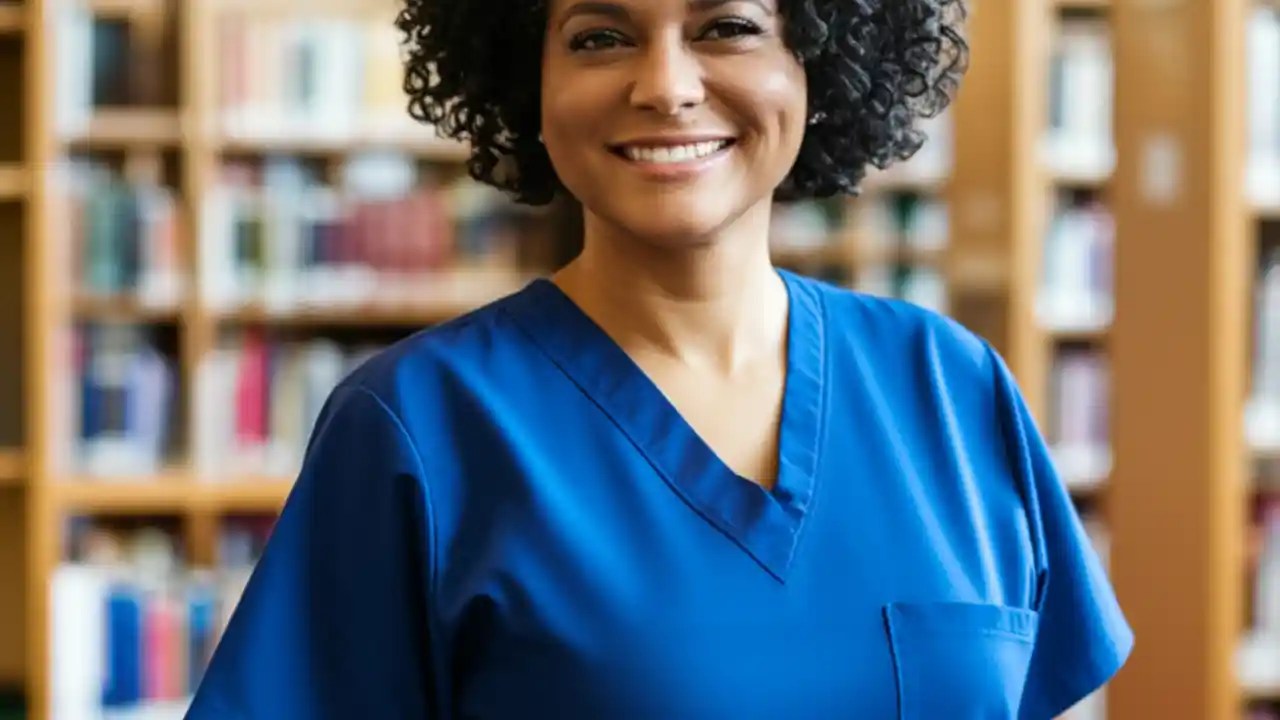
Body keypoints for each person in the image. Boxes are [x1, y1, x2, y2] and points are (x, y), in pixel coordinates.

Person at [187, 0, 1132, 717]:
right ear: (529, 81)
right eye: (601, 36)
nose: (667, 85)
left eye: (726, 25)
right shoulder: (419, 429)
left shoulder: (951, 386)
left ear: (823, 58)